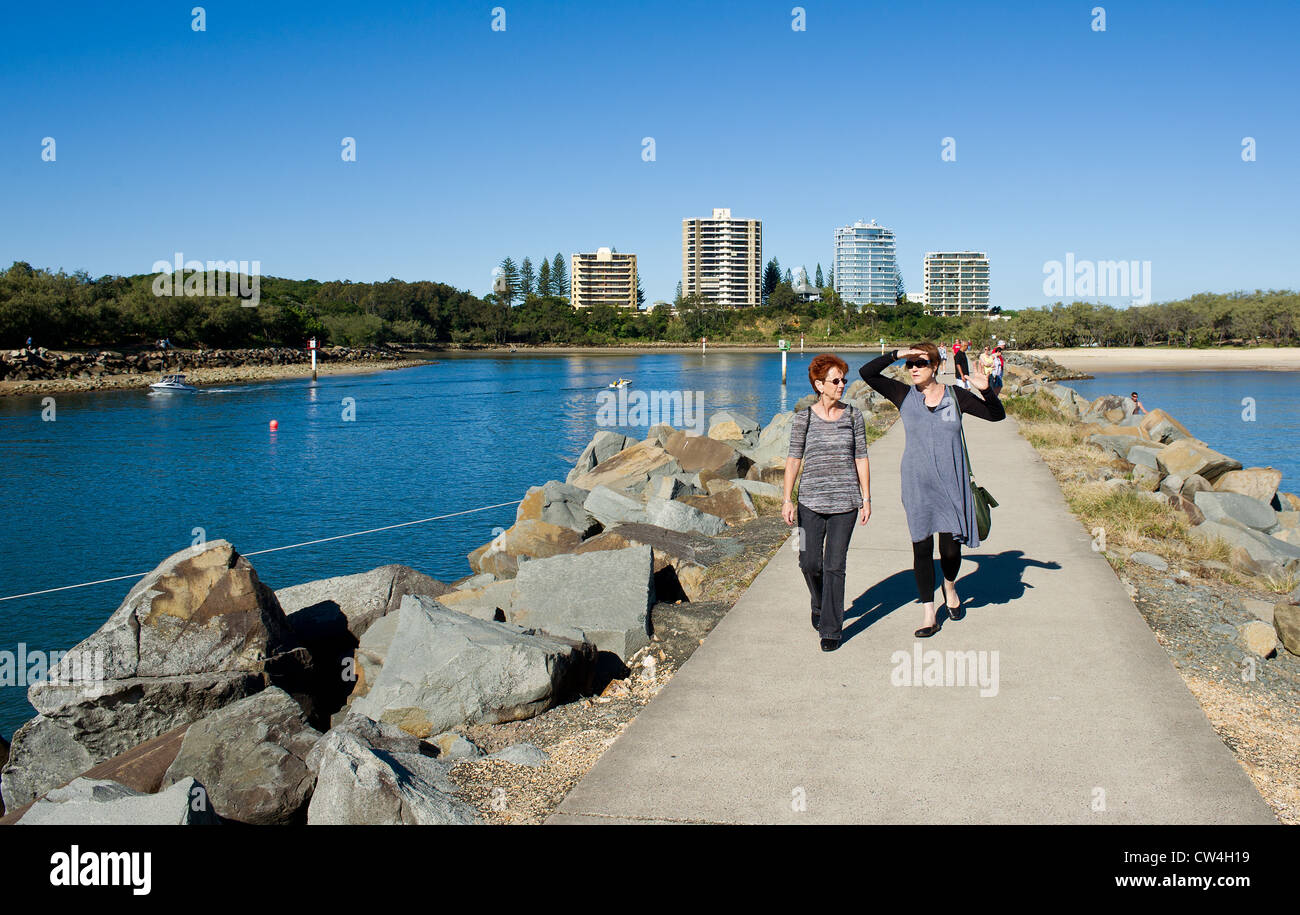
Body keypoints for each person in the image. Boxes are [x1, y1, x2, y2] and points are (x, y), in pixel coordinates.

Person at [859, 343, 1006, 638]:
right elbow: (867, 373)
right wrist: (897, 354)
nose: (914, 368)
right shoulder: (903, 395)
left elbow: (996, 415)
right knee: (922, 547)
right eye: (910, 364)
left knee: (951, 550)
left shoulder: (956, 396)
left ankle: (949, 585)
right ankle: (929, 612)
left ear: (936, 366)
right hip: (917, 485)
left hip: (953, 482)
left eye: (921, 363)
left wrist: (986, 389)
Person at [783, 354, 871, 652]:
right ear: (819, 385)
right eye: (836, 381)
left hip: (845, 504)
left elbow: (861, 456)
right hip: (809, 504)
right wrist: (786, 499)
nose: (842, 385)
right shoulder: (803, 418)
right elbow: (794, 459)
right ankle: (819, 603)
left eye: (844, 379)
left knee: (835, 566)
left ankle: (831, 628)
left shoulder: (853, 416)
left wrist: (866, 497)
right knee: (808, 562)